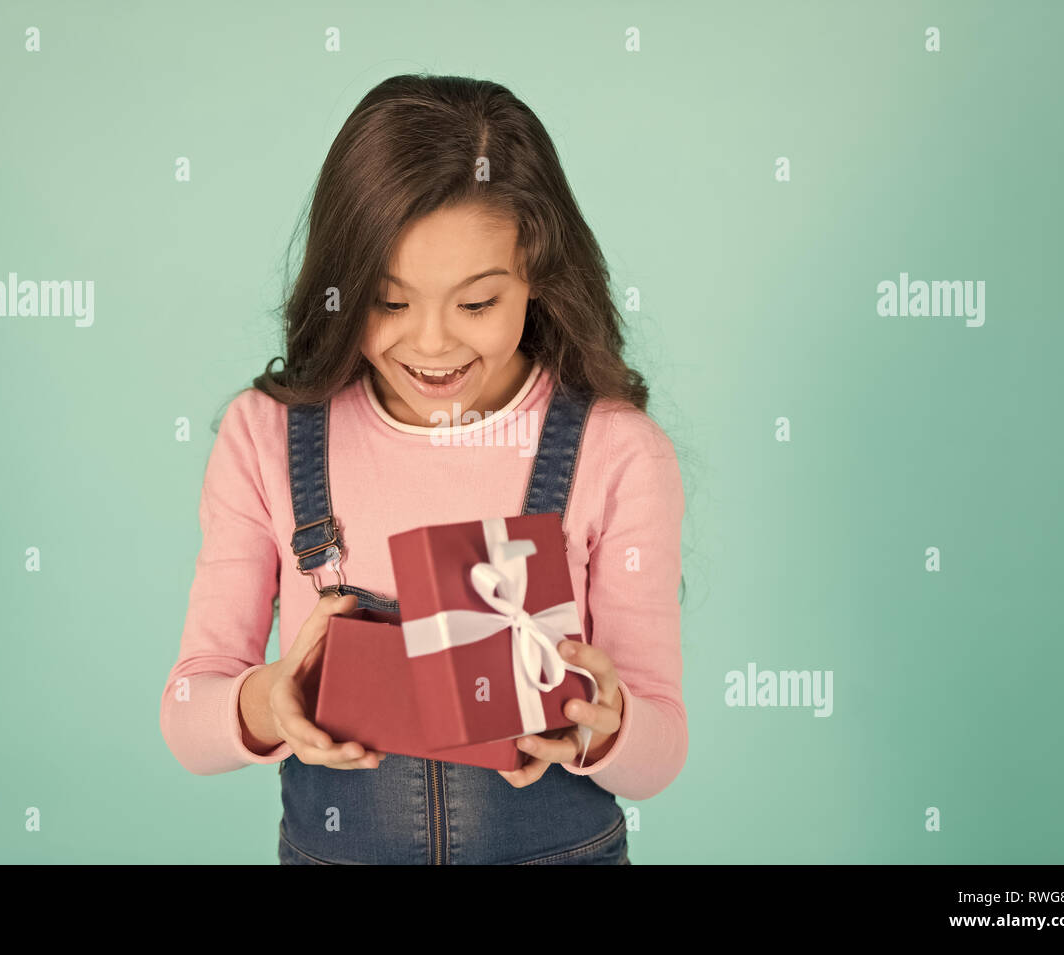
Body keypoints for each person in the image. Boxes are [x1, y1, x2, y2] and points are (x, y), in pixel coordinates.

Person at [160, 74, 687, 864]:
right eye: (388, 300)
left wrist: (607, 721)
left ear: (537, 276)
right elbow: (186, 714)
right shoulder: (267, 436)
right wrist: (273, 701)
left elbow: (663, 750)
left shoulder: (615, 451)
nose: (432, 345)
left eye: (476, 304)